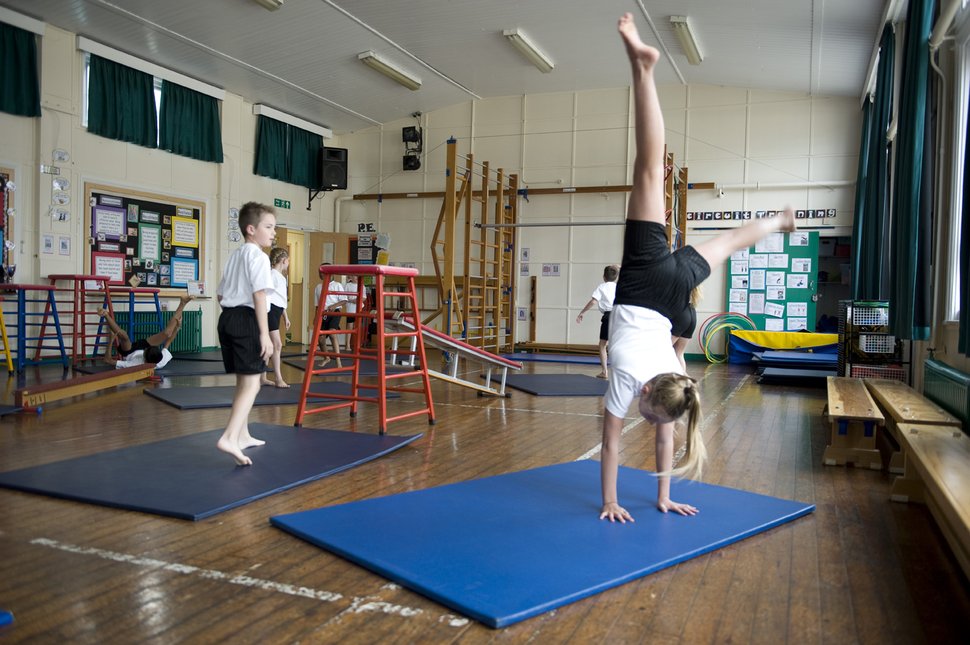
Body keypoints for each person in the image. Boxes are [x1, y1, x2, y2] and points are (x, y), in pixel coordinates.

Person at [600, 13, 797, 523]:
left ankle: (779, 219)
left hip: (672, 302)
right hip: (644, 288)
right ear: (649, 393)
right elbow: (612, 447)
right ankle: (642, 68)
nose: (653, 424)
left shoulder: (679, 383)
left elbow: (665, 432)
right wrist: (611, 501)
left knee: (730, 241)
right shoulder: (634, 384)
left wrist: (663, 495)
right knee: (648, 165)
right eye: (653, 415)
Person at [215, 201, 276, 466]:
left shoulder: (235, 255)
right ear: (251, 229)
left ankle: (242, 434)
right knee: (253, 383)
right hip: (247, 318)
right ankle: (229, 437)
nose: (273, 232)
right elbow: (259, 295)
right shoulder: (259, 256)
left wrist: (234, 318)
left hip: (228, 318)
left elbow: (220, 294)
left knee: (244, 381)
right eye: (269, 227)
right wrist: (264, 334)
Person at [98, 294, 196, 369]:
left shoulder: (134, 365)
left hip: (129, 352)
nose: (145, 349)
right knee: (167, 333)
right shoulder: (160, 360)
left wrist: (110, 341)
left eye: (146, 350)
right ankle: (183, 303)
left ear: (144, 358)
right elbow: (169, 341)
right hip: (144, 345)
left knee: (123, 336)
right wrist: (177, 327)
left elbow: (107, 360)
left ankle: (105, 314)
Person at [576, 264, 619, 379]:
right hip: (619, 316)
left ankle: (605, 372)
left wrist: (582, 312)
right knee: (618, 344)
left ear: (604, 277)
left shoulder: (602, 287)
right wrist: (617, 267)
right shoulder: (619, 286)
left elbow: (593, 302)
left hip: (609, 316)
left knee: (602, 345)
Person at [313, 265, 354, 367]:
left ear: (329, 273)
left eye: (322, 272)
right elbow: (317, 305)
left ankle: (338, 361)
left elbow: (344, 300)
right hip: (323, 313)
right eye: (319, 272)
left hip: (335, 312)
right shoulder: (318, 287)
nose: (320, 274)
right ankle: (326, 357)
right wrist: (315, 317)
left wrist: (334, 306)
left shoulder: (337, 285)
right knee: (321, 339)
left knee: (332, 334)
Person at [262, 247, 291, 388]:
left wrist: (286, 317)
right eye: (289, 261)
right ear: (284, 260)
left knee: (270, 345)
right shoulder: (272, 275)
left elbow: (281, 299)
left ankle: (263, 377)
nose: (288, 263)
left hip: (277, 310)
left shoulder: (281, 277)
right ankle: (278, 378)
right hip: (270, 310)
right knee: (277, 344)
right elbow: (266, 295)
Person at [670, 287, 701, 373]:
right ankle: (684, 382)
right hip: (691, 312)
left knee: (660, 351)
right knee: (679, 353)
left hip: (680, 313)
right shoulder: (691, 280)